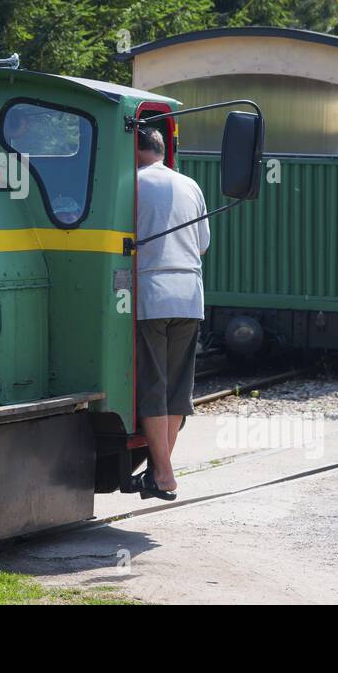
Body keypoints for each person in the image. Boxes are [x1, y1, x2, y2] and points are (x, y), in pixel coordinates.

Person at [130, 127, 209, 501]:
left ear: (135, 149)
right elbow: (203, 244)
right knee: (177, 388)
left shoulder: (131, 184)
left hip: (151, 296)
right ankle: (158, 472)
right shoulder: (190, 185)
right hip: (190, 296)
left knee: (153, 385)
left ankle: (162, 473)